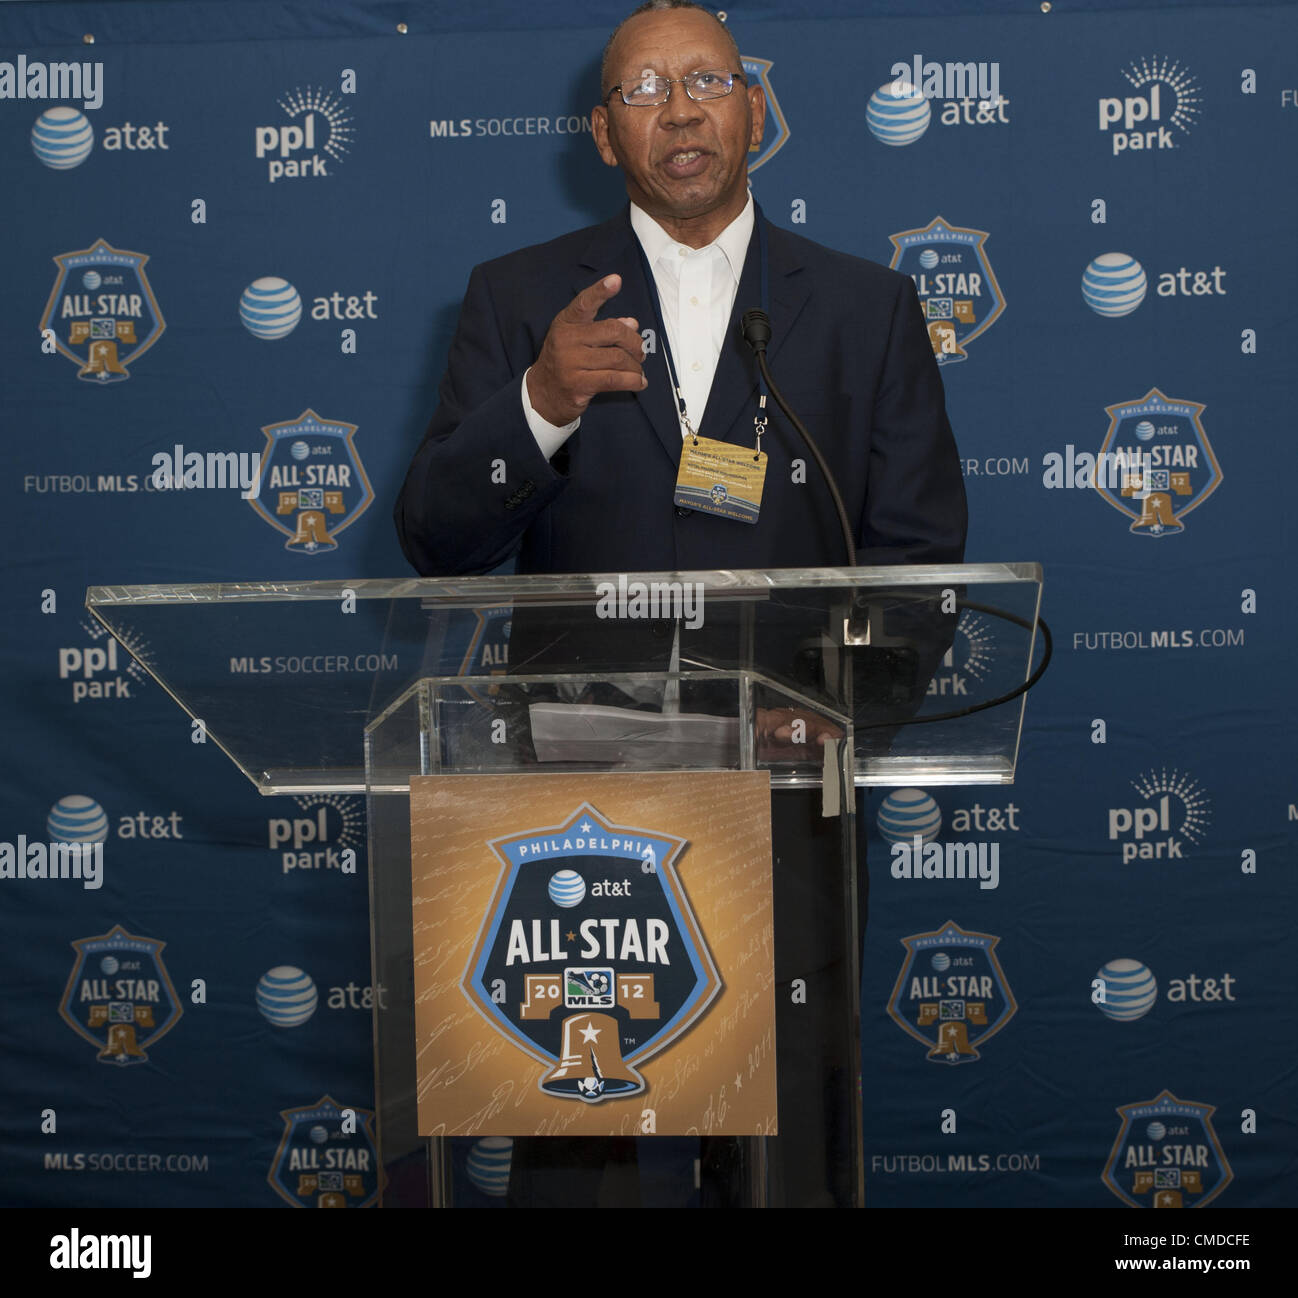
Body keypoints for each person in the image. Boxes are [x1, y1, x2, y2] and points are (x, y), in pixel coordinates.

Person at [395, 0, 966, 1207]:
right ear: (604, 136)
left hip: (785, 787)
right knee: (576, 1143)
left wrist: (838, 713)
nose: (679, 108)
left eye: (704, 79)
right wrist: (541, 400)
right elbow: (438, 538)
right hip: (573, 800)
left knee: (790, 1146)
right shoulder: (519, 297)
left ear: (753, 107)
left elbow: (920, 560)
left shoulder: (866, 309)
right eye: (642, 91)